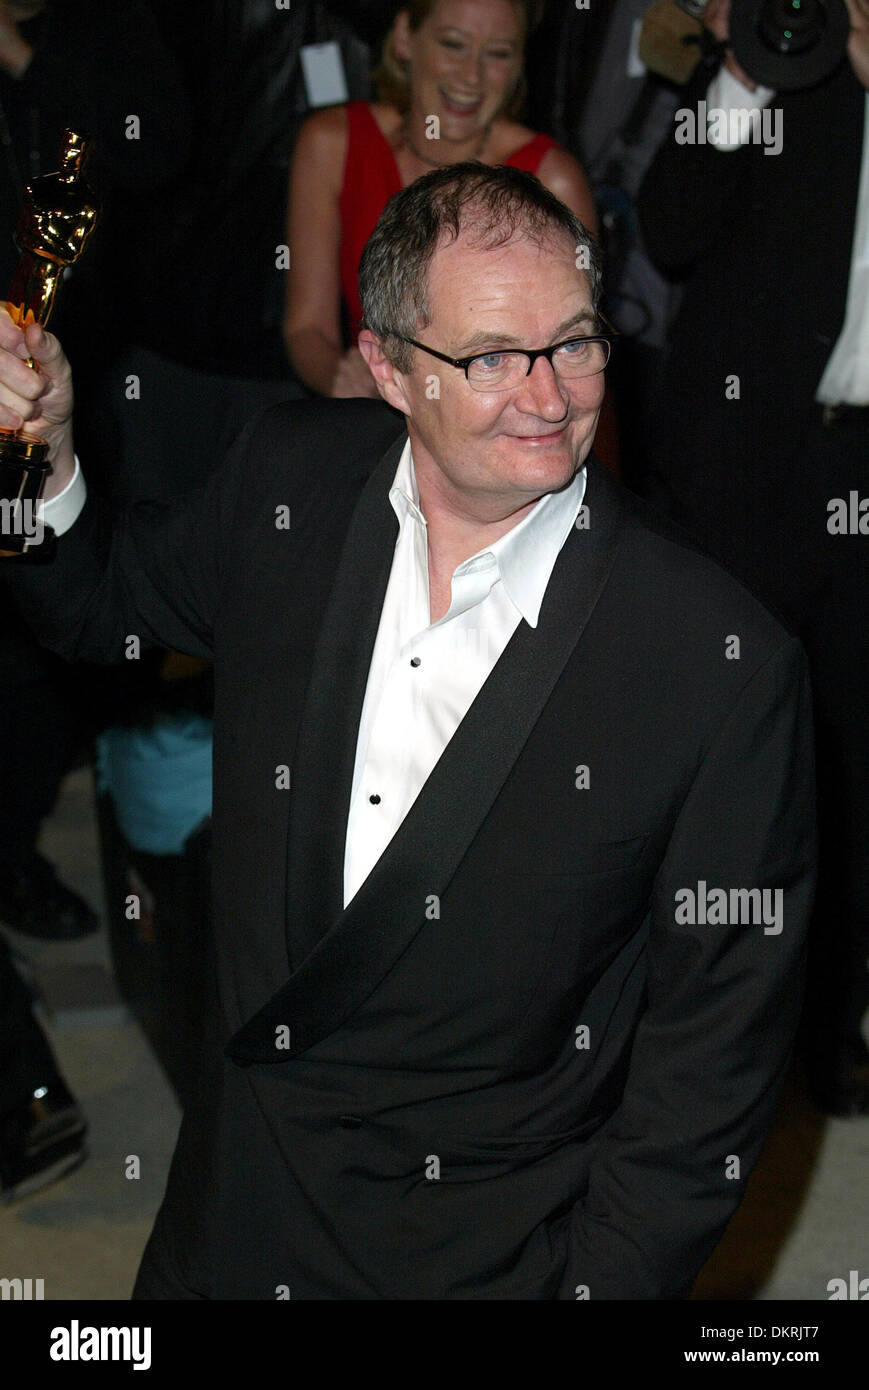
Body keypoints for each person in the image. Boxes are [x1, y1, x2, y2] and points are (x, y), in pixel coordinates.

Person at [2, 164, 815, 1300]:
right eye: (489, 358)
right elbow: (100, 603)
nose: (546, 397)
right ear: (386, 367)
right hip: (228, 1227)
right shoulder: (290, 480)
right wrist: (29, 452)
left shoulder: (712, 663)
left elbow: (709, 1073)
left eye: (574, 343)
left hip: (480, 1263)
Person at [637, 0, 869, 1114]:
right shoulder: (783, 64)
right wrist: (753, 65)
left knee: (850, 768)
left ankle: (822, 1036)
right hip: (738, 475)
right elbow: (670, 226)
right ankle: (684, 1033)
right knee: (709, 767)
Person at [284, 0, 598, 399]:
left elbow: (578, 354)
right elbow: (306, 328)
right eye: (453, 45)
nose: (472, 75)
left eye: (498, 53)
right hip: (378, 418)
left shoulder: (553, 178)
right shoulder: (334, 143)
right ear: (404, 38)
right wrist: (343, 379)